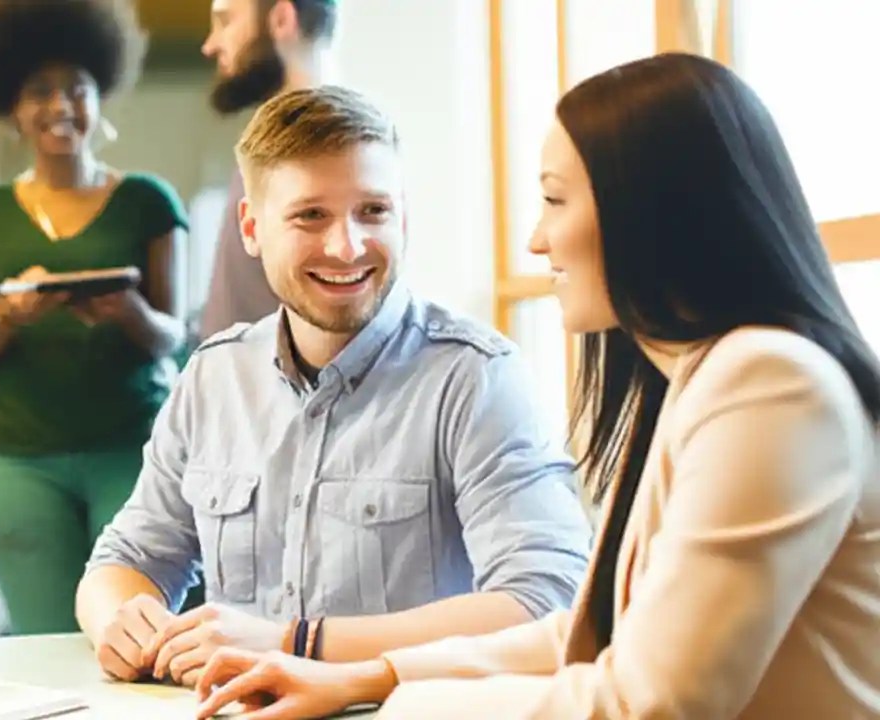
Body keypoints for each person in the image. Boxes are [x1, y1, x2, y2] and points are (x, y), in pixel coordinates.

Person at [193, 53, 880, 720]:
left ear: (649, 210)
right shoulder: (698, 381)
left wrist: (401, 706)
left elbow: (649, 702)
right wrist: (364, 678)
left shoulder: (769, 385)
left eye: (554, 199)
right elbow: (590, 636)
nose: (536, 240)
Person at [78, 85, 593, 689]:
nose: (346, 246)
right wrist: (121, 621)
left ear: (404, 215)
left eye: (372, 211)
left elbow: (548, 602)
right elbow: (124, 561)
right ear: (252, 227)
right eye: (310, 215)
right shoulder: (213, 376)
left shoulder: (477, 378)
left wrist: (298, 644)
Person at [0, 0, 189, 635]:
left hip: (129, 450)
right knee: (44, 640)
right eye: (40, 92)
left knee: (141, 633)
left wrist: (131, 313)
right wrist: (8, 317)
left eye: (76, 90)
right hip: (21, 460)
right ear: (12, 107)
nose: (61, 107)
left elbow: (175, 334)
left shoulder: (147, 202)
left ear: (100, 95)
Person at [197, 0, 339, 340]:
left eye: (226, 22)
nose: (210, 45)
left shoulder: (326, 157)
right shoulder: (270, 144)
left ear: (280, 19)